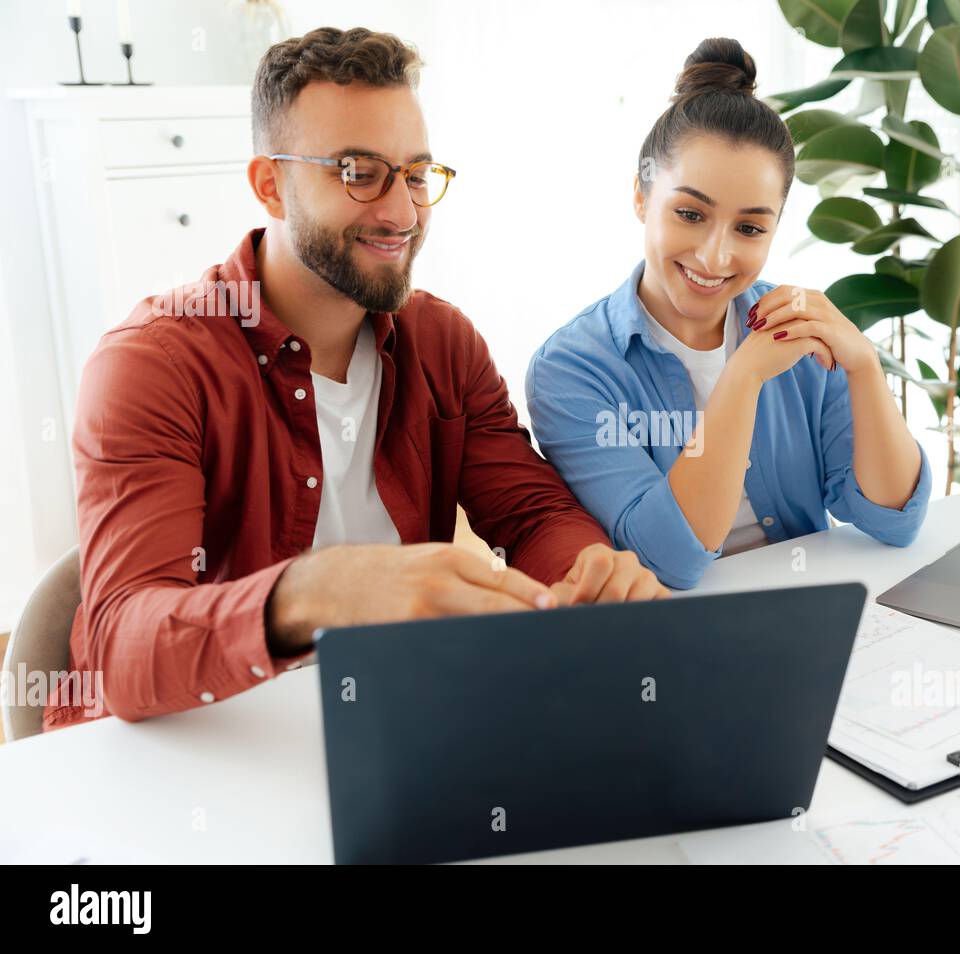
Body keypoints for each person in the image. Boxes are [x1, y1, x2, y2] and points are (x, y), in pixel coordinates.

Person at [45, 27, 664, 731]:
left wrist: (589, 574)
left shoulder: (443, 343)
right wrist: (313, 592)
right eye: (357, 172)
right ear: (269, 185)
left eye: (416, 175)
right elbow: (123, 649)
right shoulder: (152, 364)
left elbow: (534, 514)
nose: (401, 213)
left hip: (382, 720)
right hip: (191, 745)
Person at [526, 37, 931, 591]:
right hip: (673, 641)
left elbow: (894, 520)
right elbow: (673, 559)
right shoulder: (571, 370)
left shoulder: (800, 329)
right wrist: (741, 377)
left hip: (812, 612)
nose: (716, 257)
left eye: (749, 228)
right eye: (690, 213)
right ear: (642, 198)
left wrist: (863, 367)